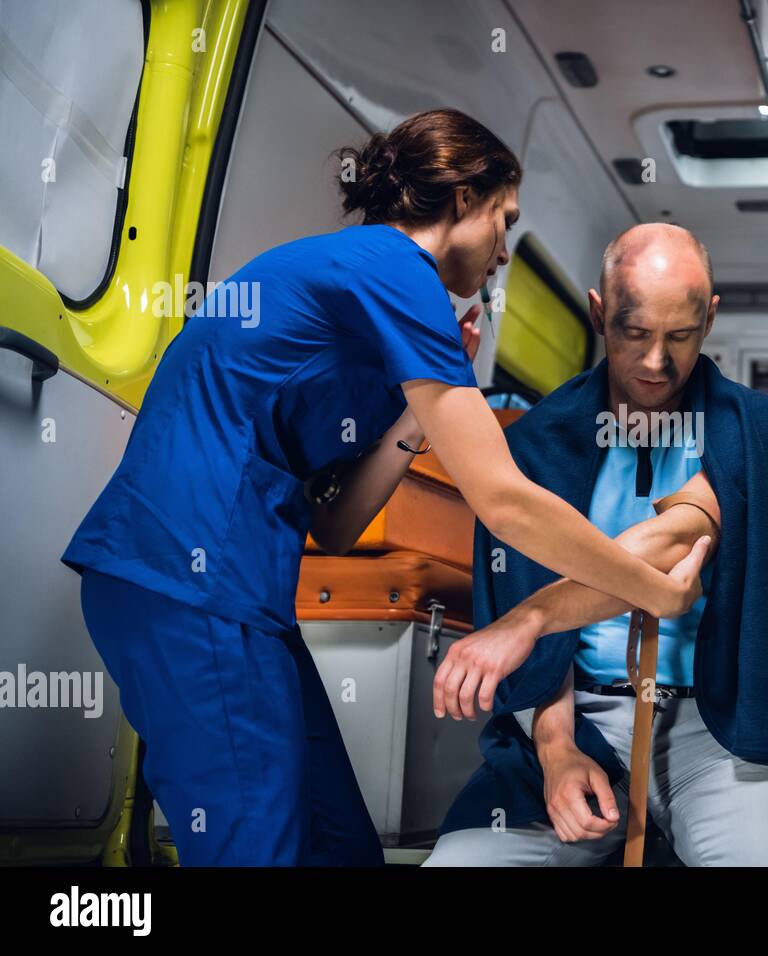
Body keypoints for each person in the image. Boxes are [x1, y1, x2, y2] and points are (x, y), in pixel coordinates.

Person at [61, 110, 708, 867]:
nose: (504, 251)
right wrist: (650, 589)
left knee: (342, 848)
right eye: (506, 221)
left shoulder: (379, 315)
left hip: (235, 599)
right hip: (184, 579)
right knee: (255, 852)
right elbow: (502, 500)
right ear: (463, 201)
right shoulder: (392, 267)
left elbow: (334, 526)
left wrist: (413, 412)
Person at [423, 224, 768, 867]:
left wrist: (526, 621)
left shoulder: (757, 432)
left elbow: (677, 534)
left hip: (727, 731)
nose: (655, 363)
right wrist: (557, 752)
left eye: (681, 336)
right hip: (577, 720)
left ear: (710, 318)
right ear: (597, 313)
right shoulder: (535, 444)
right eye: (634, 333)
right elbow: (533, 620)